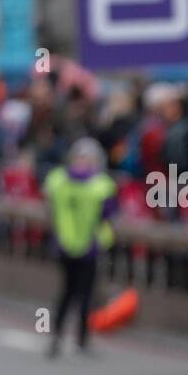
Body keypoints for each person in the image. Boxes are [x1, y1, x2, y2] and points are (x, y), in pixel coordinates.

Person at [43, 137, 117, 358]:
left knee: (68, 292)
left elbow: (51, 208)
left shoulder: (58, 181)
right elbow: (108, 214)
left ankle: (57, 336)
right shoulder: (100, 185)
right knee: (82, 294)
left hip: (64, 243)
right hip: (89, 245)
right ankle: (80, 340)